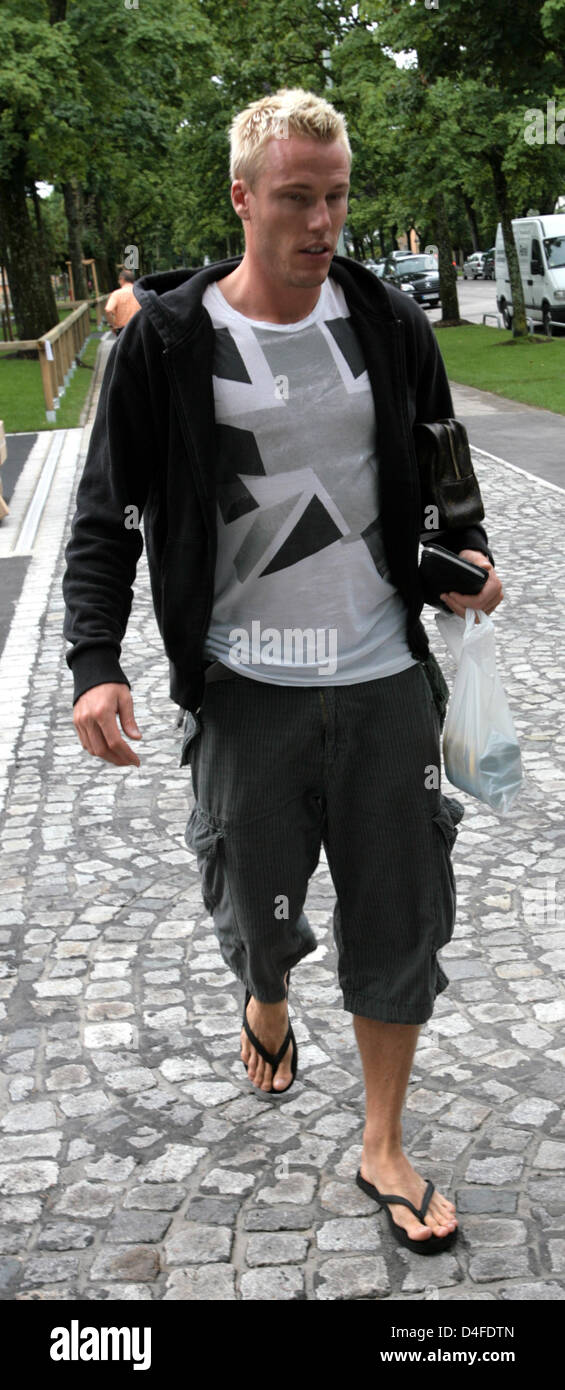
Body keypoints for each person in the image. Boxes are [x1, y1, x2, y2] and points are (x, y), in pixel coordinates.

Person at [62, 88, 503, 1256]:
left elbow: (440, 471)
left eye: (338, 195)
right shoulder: (164, 344)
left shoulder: (384, 323)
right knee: (257, 916)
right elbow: (106, 517)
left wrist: (465, 562)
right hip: (245, 688)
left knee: (400, 913)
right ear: (243, 197)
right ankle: (264, 994)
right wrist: (95, 662)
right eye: (298, 198)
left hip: (378, 683)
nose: (322, 222)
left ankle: (382, 1142)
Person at [104, 268, 140, 335]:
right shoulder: (140, 292)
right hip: (140, 327)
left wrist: (112, 326)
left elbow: (108, 310)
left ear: (122, 279)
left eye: (119, 280)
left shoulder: (116, 294)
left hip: (123, 329)